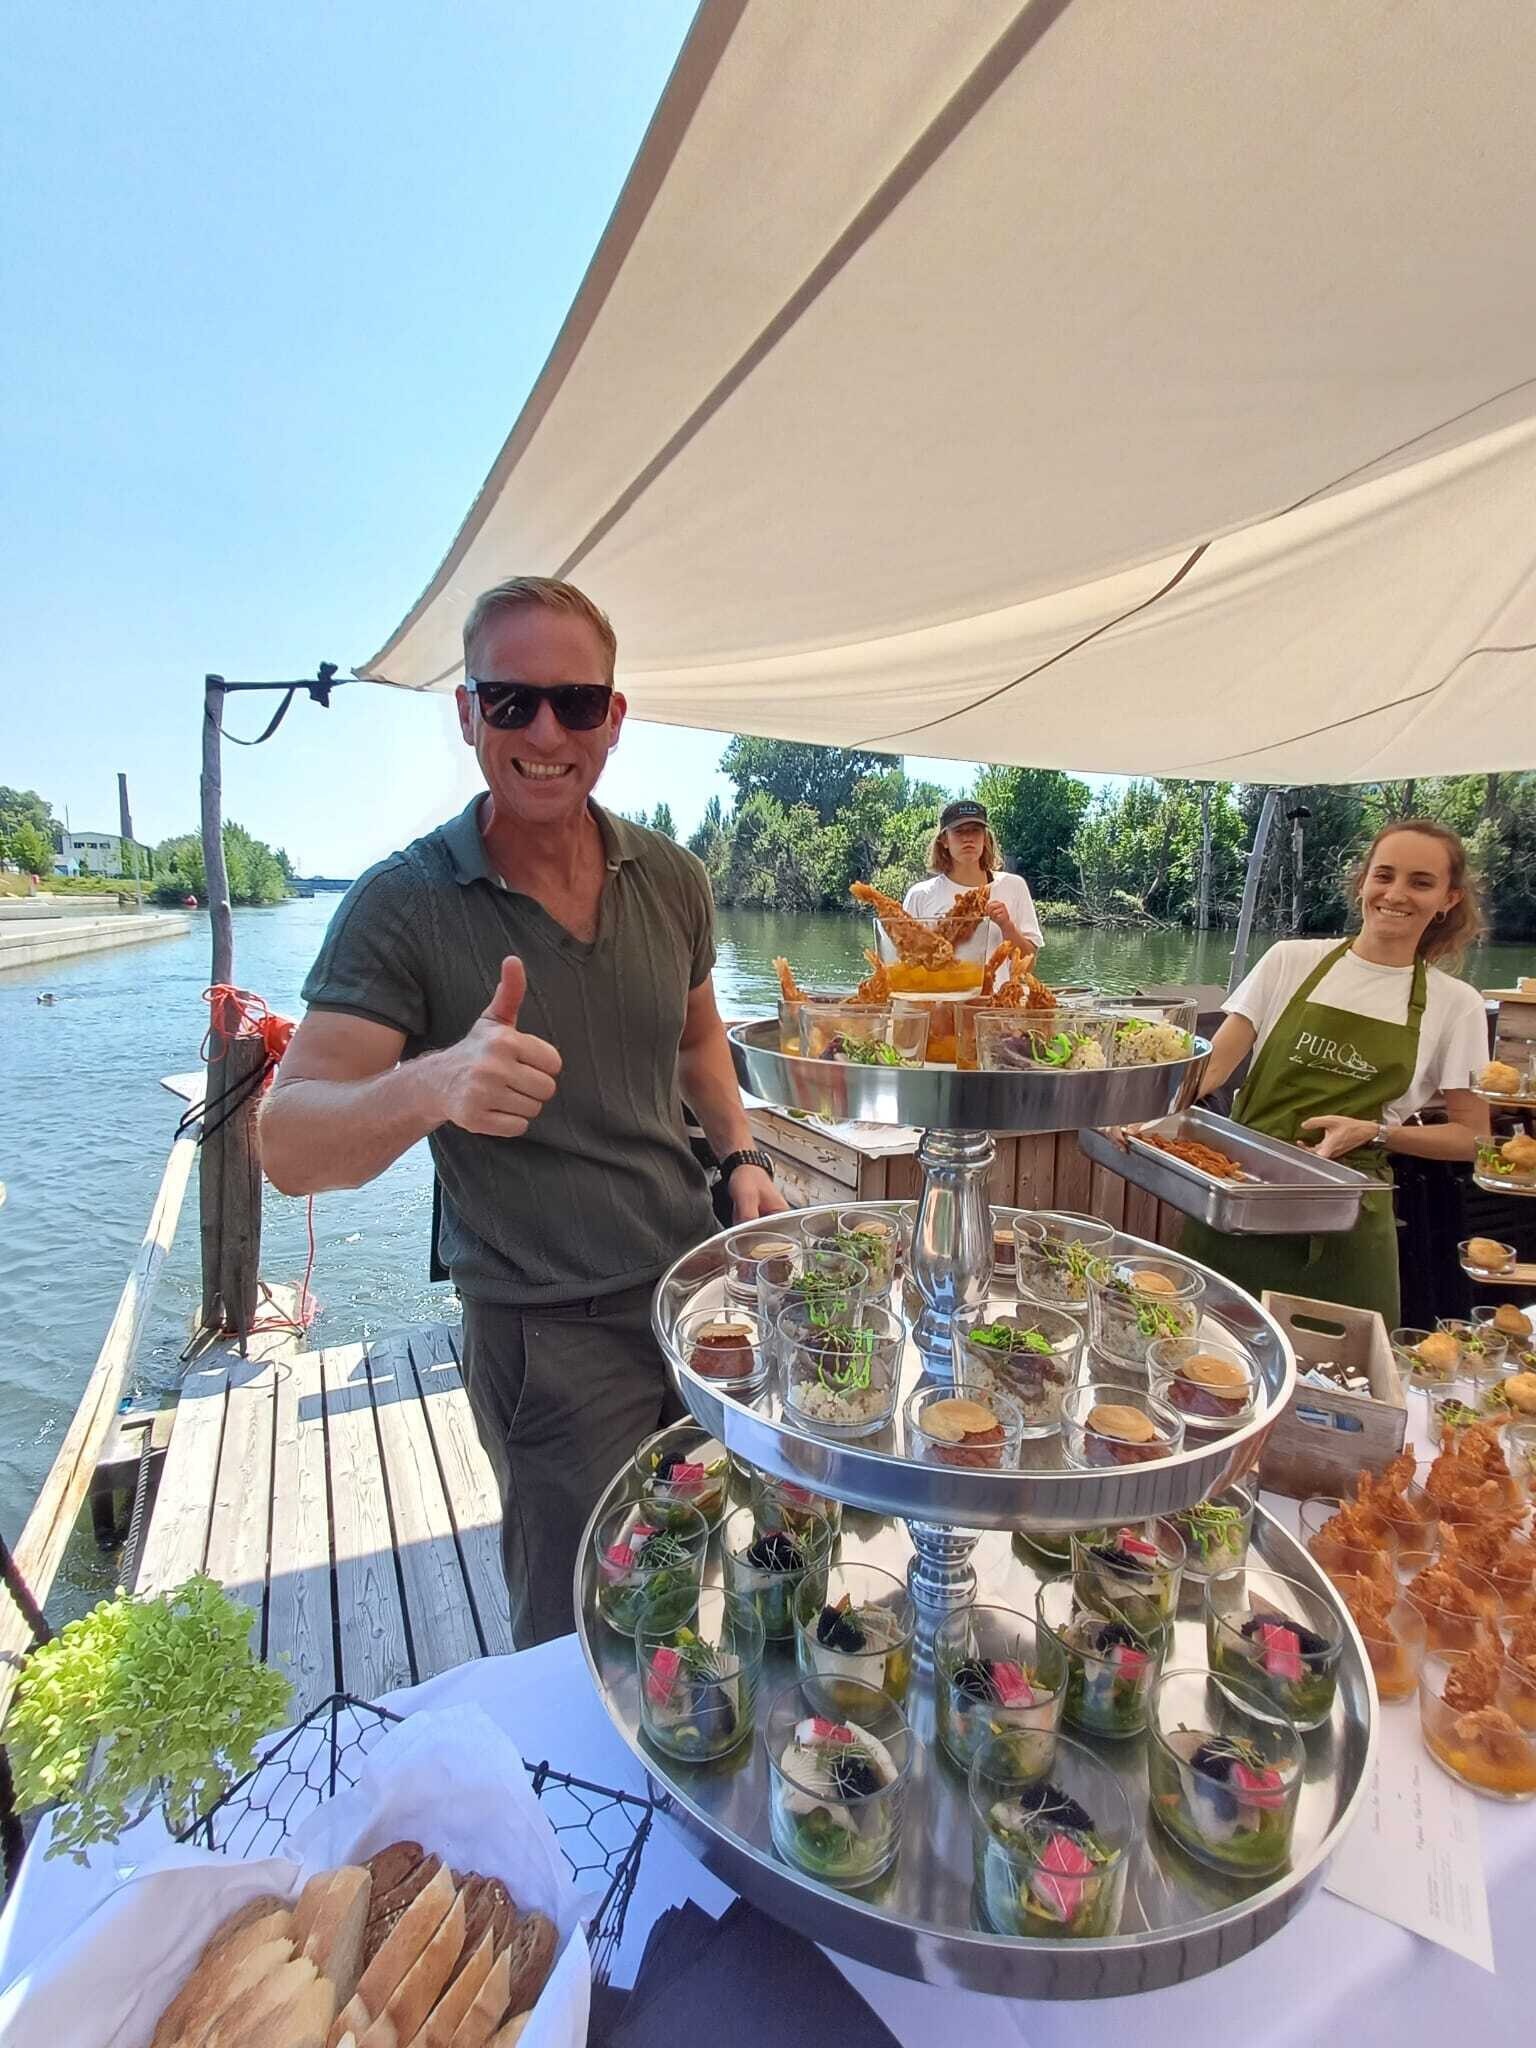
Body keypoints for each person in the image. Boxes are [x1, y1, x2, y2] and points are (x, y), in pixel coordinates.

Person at [261, 575, 787, 1647]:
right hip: (549, 1338)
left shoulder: (673, 877)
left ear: (614, 718)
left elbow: (696, 1039)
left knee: (689, 1581)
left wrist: (738, 1156)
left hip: (694, 1304)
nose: (546, 730)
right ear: (467, 713)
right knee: (575, 1631)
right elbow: (287, 1142)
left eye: (576, 702)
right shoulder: (402, 905)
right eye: (511, 702)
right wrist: (436, 1080)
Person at [1155, 820, 1491, 1326]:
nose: (1396, 894)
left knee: (1339, 1390)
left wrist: (1377, 1132)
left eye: (1420, 882)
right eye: (1384, 875)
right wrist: (1141, 1113)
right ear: (1363, 884)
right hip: (1239, 1196)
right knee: (1203, 1361)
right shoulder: (1289, 961)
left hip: (1346, 1219)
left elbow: (1475, 1137)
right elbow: (1210, 1069)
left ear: (1448, 899)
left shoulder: (1455, 1004)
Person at [901, 799, 1042, 970]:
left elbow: (1029, 964)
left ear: (985, 838)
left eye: (975, 830)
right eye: (959, 831)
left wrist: (1006, 925)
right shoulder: (920, 895)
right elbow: (904, 964)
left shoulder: (1014, 886)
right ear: (944, 840)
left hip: (998, 996)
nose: (967, 838)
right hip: (943, 997)